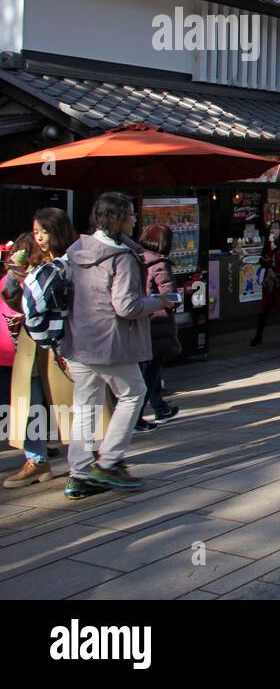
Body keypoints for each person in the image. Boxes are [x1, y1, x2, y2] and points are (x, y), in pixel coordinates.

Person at [61, 193, 174, 499]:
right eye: (131, 214)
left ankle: (79, 473)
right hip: (110, 342)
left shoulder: (77, 249)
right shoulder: (120, 257)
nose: (135, 218)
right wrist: (159, 301)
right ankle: (109, 461)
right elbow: (126, 307)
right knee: (133, 393)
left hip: (78, 341)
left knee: (85, 407)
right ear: (118, 218)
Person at [3, 213, 75, 488]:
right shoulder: (30, 259)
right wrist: (13, 281)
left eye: (44, 231)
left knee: (70, 398)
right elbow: (13, 301)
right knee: (29, 400)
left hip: (63, 337)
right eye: (36, 231)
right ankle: (36, 459)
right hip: (31, 339)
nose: (40, 237)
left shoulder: (74, 260)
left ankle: (85, 456)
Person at [136, 224, 181, 431]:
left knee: (149, 370)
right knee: (150, 372)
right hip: (159, 324)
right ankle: (135, 417)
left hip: (140, 321)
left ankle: (160, 406)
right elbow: (169, 295)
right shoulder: (160, 265)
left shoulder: (136, 259)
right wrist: (176, 299)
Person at [251, 222, 280, 346]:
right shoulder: (268, 242)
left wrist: (275, 250)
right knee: (264, 308)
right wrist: (264, 262)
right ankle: (258, 336)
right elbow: (264, 258)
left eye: (276, 228)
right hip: (270, 280)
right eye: (272, 228)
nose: (273, 230)